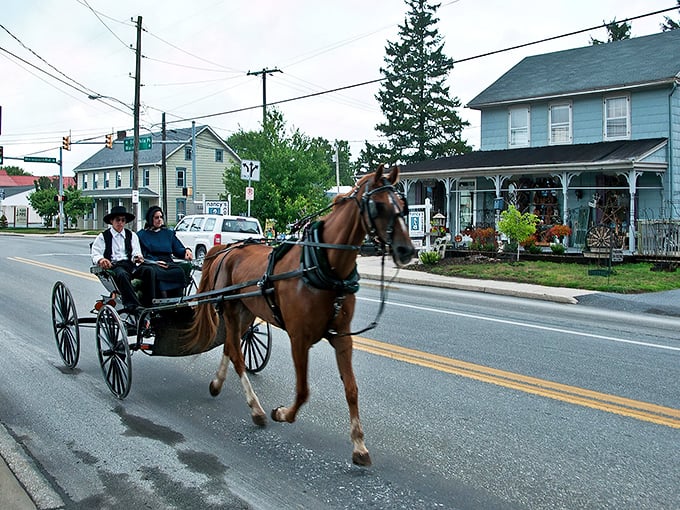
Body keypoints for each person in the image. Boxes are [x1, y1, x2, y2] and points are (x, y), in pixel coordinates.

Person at [91, 205, 155, 311]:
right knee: (122, 274)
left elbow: (136, 252)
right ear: (112, 221)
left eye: (123, 220)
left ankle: (150, 303)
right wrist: (101, 260)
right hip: (114, 266)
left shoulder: (132, 235)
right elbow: (96, 253)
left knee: (149, 270)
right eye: (117, 220)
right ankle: (133, 305)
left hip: (130, 265)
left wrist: (137, 258)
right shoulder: (103, 237)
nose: (120, 223)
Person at [137, 206, 194, 299]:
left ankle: (179, 300)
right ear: (150, 219)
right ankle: (162, 301)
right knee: (159, 273)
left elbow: (177, 248)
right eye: (156, 217)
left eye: (161, 217)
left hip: (167, 262)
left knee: (179, 271)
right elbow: (142, 254)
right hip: (152, 263)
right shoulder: (142, 235)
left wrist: (186, 251)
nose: (159, 220)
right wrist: (155, 262)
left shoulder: (168, 233)